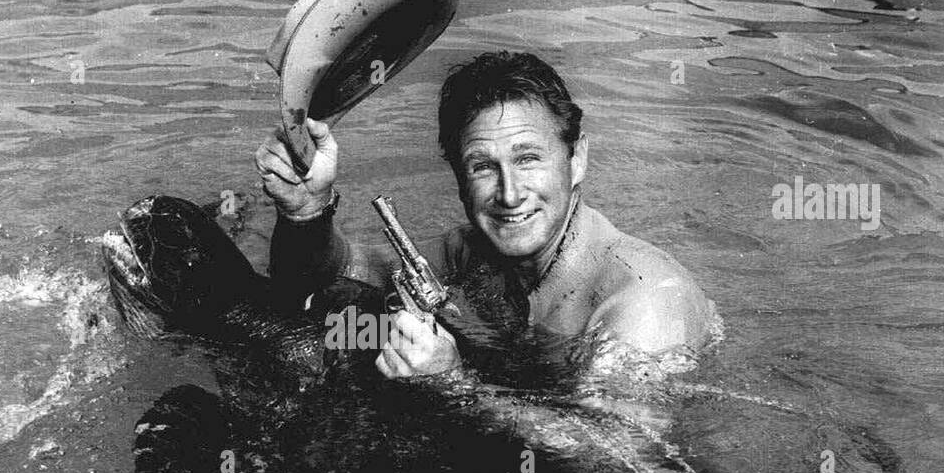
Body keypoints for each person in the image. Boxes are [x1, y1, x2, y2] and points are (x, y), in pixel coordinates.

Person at [255, 51, 715, 381]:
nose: (510, 194)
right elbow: (325, 273)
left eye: (528, 158)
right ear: (458, 175)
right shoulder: (471, 257)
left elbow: (615, 462)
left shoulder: (644, 302)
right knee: (324, 328)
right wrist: (306, 211)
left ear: (576, 159)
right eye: (483, 166)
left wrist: (454, 384)